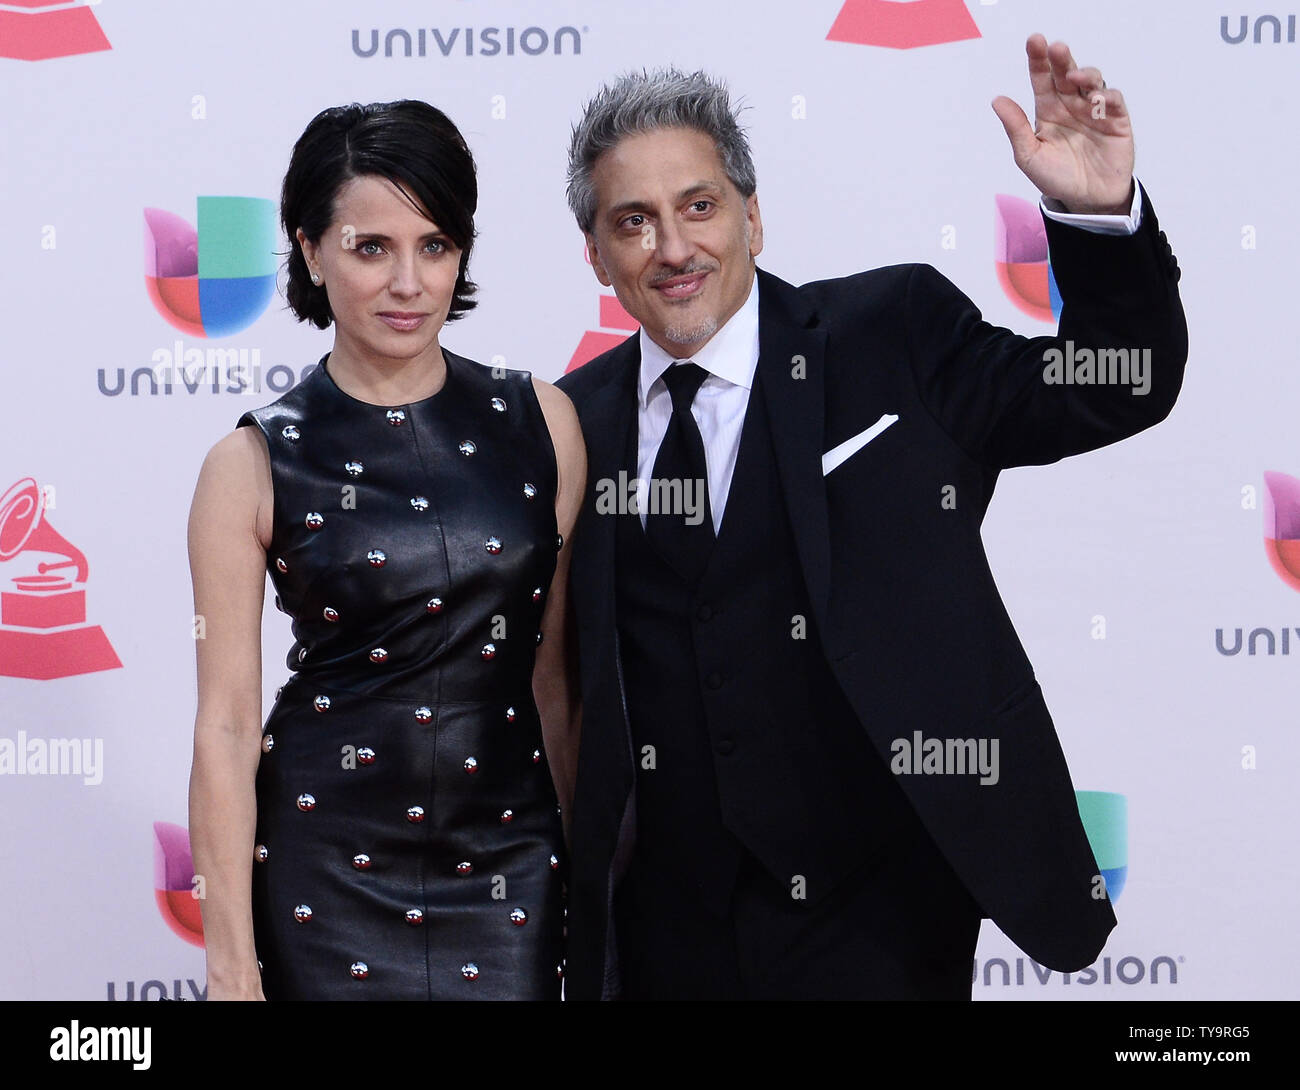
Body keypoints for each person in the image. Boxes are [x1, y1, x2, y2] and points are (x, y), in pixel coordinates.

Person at [554, 38, 1187, 999]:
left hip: (884, 917)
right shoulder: (570, 421)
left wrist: (1096, 216)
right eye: (633, 222)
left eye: (699, 206)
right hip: (662, 932)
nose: (674, 249)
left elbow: (1117, 387)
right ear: (598, 255)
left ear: (753, 216)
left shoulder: (891, 332)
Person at [187, 100, 585, 1000]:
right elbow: (224, 725)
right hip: (323, 872)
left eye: (436, 245)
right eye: (372, 247)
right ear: (310, 250)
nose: (409, 282)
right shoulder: (248, 465)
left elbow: (554, 683)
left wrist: (589, 881)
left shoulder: (544, 423)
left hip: (509, 865)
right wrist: (230, 967)